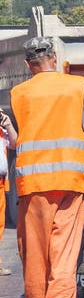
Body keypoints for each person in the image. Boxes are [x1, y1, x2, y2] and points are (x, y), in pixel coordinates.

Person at [10, 37, 84, 298]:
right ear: (54, 58)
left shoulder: (19, 93)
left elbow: (24, 136)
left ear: (28, 64)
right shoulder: (78, 86)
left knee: (36, 258)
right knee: (63, 257)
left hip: (32, 187)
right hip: (70, 183)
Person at [0, 108, 17, 276]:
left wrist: (8, 124)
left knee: (0, 225)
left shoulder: (2, 131)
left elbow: (14, 143)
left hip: (0, 183)